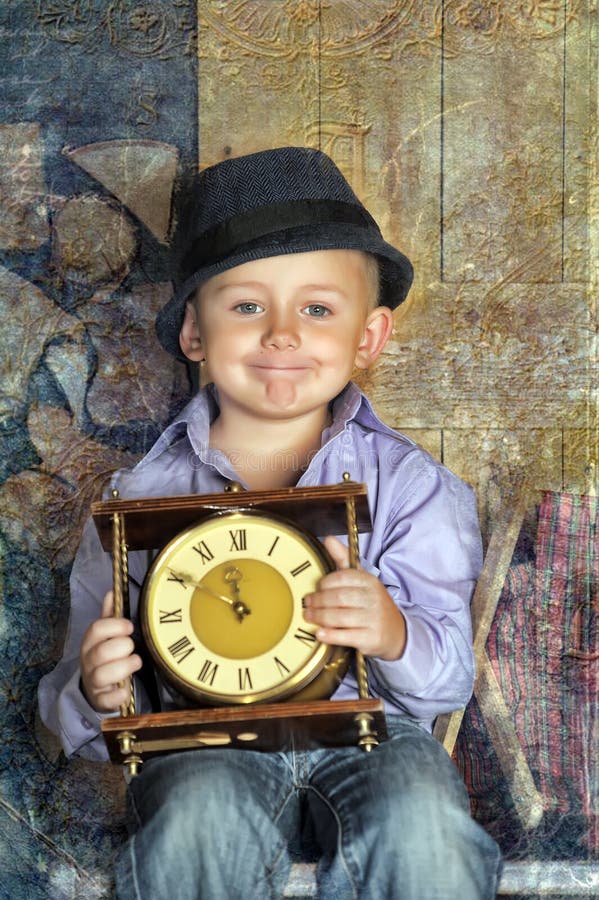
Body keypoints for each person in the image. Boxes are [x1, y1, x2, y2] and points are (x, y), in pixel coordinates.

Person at [38, 146, 502, 899]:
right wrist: (98, 692)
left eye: (317, 309)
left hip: (376, 735)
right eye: (246, 306)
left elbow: (445, 679)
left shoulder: (414, 487)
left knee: (422, 820)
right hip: (202, 747)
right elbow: (73, 701)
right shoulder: (138, 496)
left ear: (368, 337)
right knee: (193, 820)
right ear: (194, 332)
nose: (281, 335)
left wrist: (391, 632)